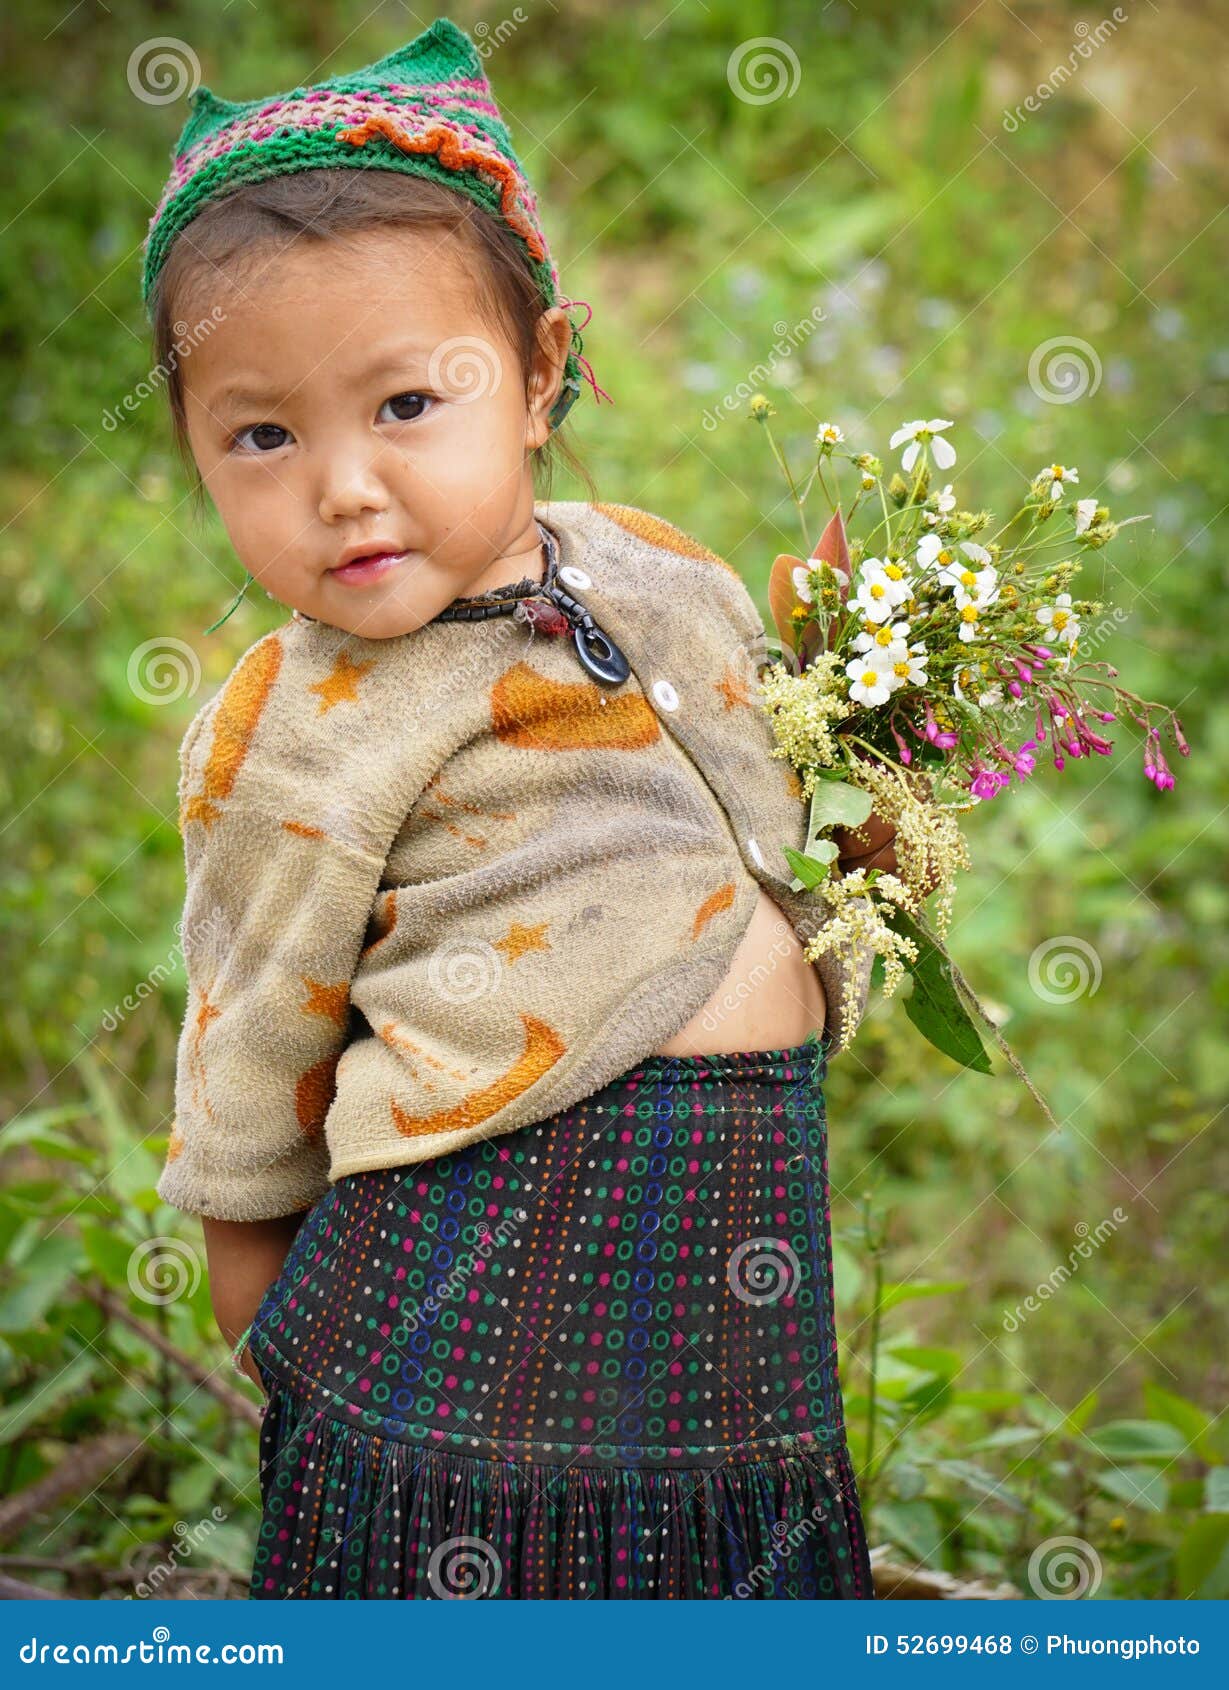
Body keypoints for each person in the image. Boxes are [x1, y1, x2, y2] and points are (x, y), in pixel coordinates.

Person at [142, 17, 896, 1600]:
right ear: (196, 448)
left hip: (726, 1270)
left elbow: (778, 833)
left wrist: (868, 756)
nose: (341, 483)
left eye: (405, 404)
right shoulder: (297, 725)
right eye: (262, 434)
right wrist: (283, 1353)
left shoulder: (659, 571)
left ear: (541, 372)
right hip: (456, 1333)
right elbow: (249, 1049)